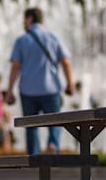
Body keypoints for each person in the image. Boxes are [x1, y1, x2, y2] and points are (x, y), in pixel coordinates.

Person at [6, 8, 75, 154]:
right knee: (55, 122)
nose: (23, 23)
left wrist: (10, 90)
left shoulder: (22, 40)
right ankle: (53, 145)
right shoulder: (53, 37)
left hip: (28, 90)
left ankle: (34, 156)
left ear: (30, 18)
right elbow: (66, 62)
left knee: (31, 126)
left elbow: (15, 66)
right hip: (51, 89)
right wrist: (70, 83)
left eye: (24, 19)